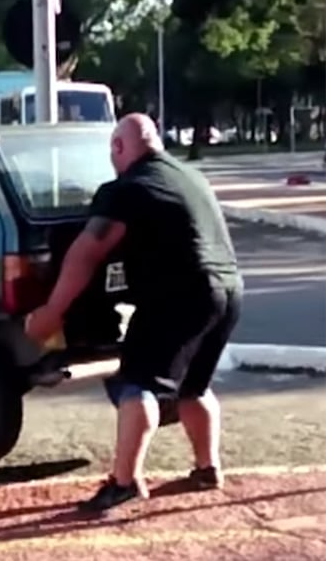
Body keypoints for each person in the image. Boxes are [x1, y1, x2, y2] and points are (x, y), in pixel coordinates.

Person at [25, 113, 243, 513]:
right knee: (194, 385)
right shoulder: (188, 176)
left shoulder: (126, 189)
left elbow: (87, 251)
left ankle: (124, 483)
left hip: (181, 293)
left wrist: (52, 311)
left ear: (119, 148)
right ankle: (207, 468)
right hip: (228, 290)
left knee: (136, 383)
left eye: (112, 152)